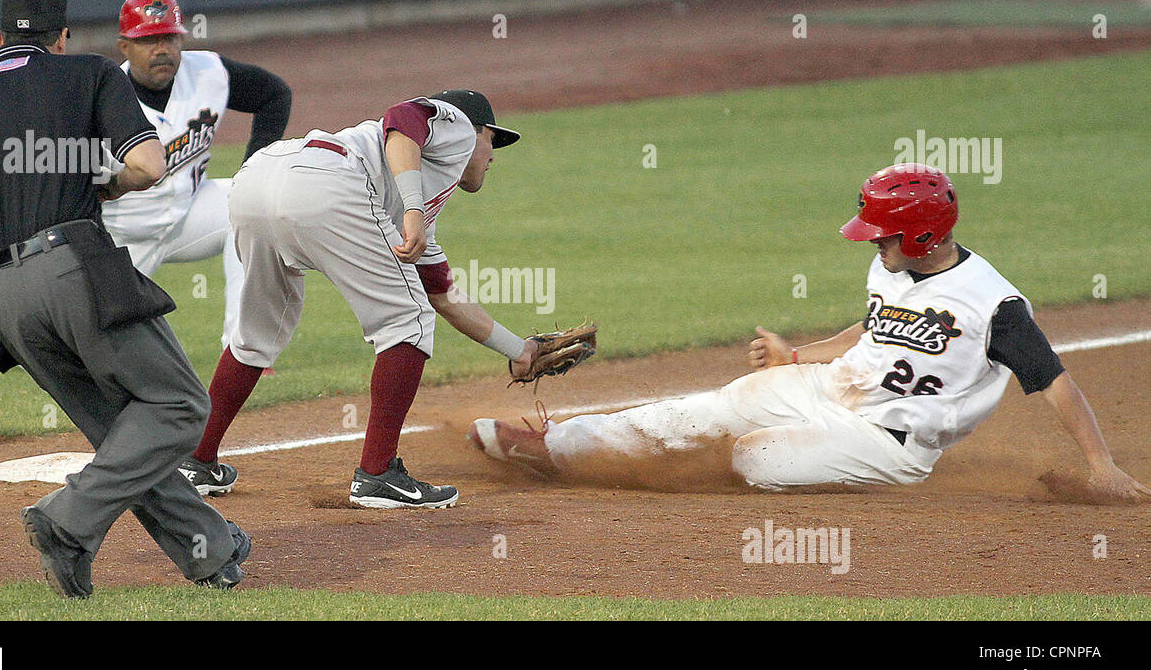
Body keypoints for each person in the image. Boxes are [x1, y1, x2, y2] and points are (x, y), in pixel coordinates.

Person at [0, 0, 251, 598]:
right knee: (179, 406)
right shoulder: (90, 75)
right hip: (76, 270)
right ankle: (67, 519)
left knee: (118, 428)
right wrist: (110, 184)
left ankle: (208, 550)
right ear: (62, 38)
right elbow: (151, 167)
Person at [469, 163, 1151, 502]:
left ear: (920, 234)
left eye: (882, 235)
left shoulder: (993, 304)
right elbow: (875, 328)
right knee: (719, 402)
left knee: (751, 455)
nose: (872, 243)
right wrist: (797, 355)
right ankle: (552, 446)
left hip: (891, 445)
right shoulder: (894, 270)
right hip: (830, 389)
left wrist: (1101, 466)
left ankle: (627, 471)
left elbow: (1054, 382)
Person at [190, 90, 543, 508]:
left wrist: (520, 351)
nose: (492, 154)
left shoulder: (407, 207)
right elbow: (403, 117)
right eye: (493, 139)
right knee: (406, 322)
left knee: (257, 333)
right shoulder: (459, 129)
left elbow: (445, 296)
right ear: (477, 129)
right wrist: (412, 209)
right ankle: (377, 474)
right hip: (328, 179)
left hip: (257, 181)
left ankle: (196, 463)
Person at [101, 0, 291, 496]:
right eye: (148, 40)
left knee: (249, 213)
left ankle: (242, 346)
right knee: (83, 332)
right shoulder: (99, 95)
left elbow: (274, 94)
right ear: (125, 46)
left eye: (169, 38)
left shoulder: (207, 70)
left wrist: (255, 172)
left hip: (188, 213)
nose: (162, 49)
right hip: (120, 234)